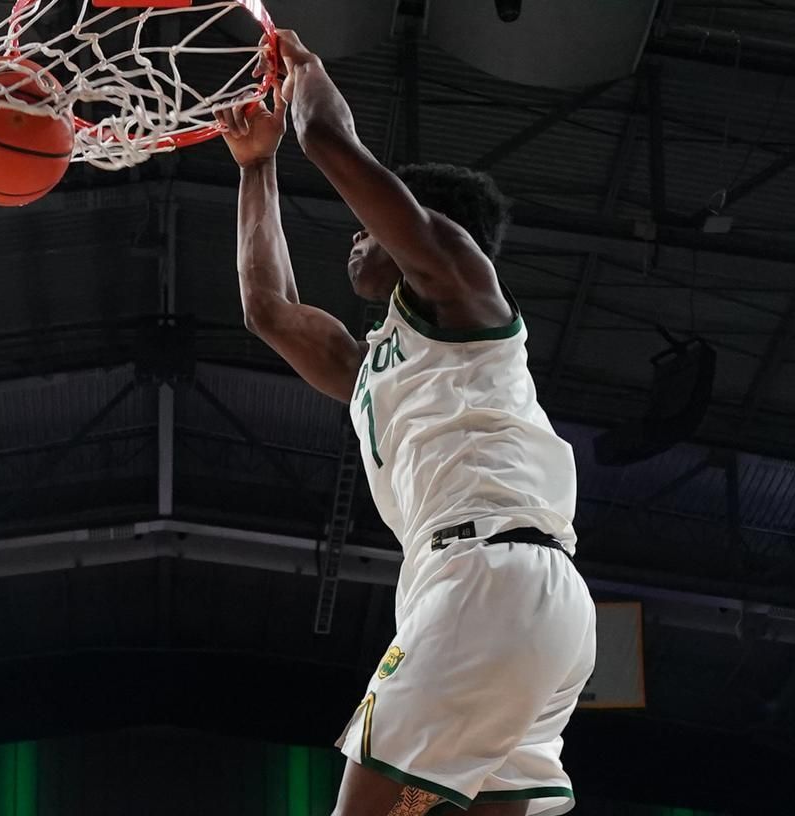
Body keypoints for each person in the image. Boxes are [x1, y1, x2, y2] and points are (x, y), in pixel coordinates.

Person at [214, 30, 598, 816]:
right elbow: (268, 311)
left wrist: (306, 71)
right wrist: (257, 168)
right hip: (531, 599)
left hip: (485, 577)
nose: (355, 237)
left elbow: (327, 136)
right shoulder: (379, 368)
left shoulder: (461, 281)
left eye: (369, 227)